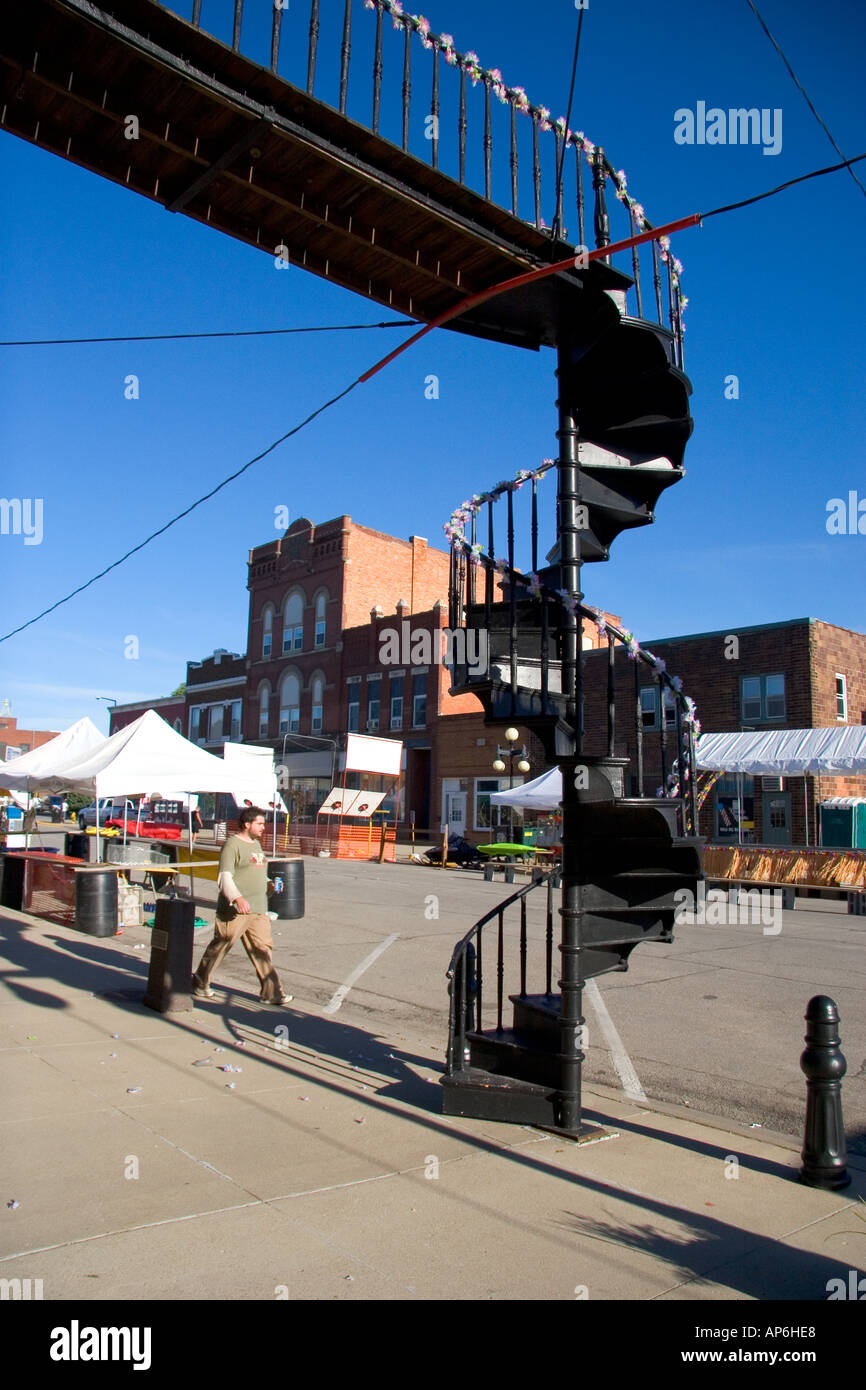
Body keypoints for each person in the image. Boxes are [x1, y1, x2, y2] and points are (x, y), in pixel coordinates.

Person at [191, 806, 292, 1006]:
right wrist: (237, 898)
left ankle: (272, 993)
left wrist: (269, 885)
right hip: (235, 911)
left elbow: (258, 872)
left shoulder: (256, 845)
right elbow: (224, 876)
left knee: (262, 950)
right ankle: (200, 983)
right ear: (247, 824)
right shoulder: (232, 845)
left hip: (258, 909)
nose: (264, 827)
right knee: (221, 946)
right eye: (260, 824)